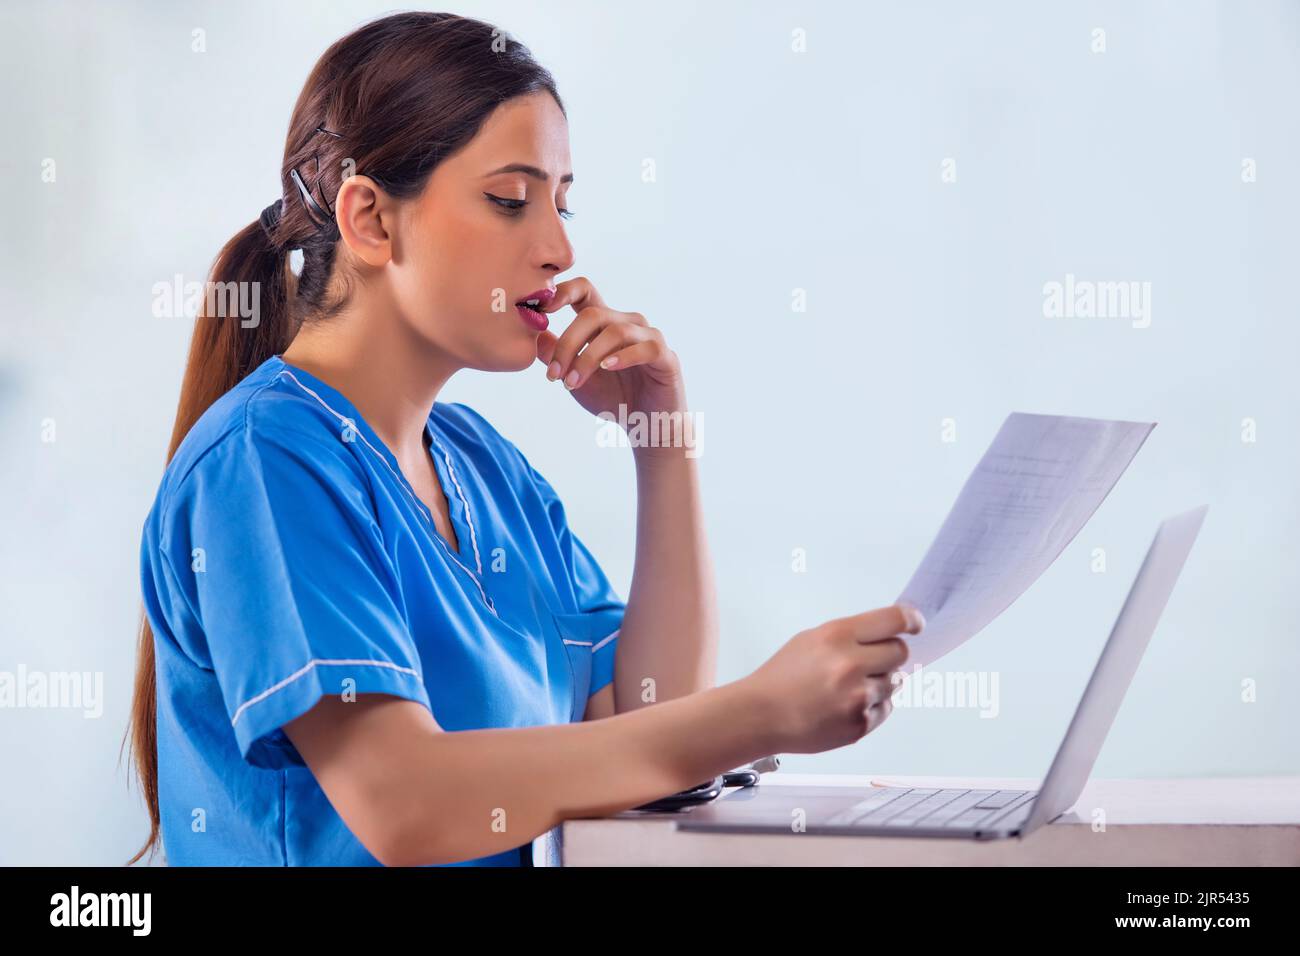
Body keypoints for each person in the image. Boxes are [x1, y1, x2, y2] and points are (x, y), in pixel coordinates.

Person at [127, 11, 922, 867]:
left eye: (563, 201)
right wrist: (764, 713)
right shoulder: (264, 461)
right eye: (510, 200)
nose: (559, 247)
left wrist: (662, 437)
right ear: (371, 220)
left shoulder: (484, 468)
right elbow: (403, 803)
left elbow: (647, 717)